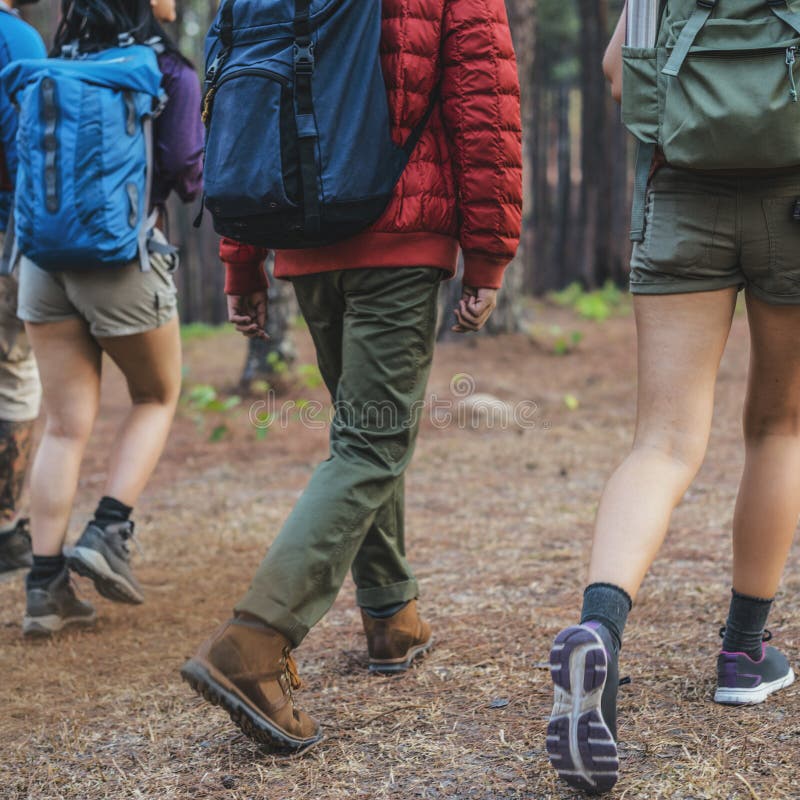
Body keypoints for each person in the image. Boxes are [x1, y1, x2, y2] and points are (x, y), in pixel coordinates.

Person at [181, 0, 523, 753]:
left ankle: (391, 615)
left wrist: (242, 260)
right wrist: (489, 253)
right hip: (400, 235)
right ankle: (256, 641)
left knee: (363, 434)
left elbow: (235, 107)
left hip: (304, 237)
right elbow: (484, 107)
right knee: (371, 446)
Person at [548, 3, 799, 794]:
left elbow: (620, 76)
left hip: (681, 199)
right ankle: (743, 652)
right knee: (779, 426)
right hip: (796, 208)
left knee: (661, 443)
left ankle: (599, 629)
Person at [16, 0, 203, 635]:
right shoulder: (167, 72)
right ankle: (109, 529)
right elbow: (186, 169)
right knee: (156, 395)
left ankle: (43, 587)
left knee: (64, 426)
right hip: (121, 261)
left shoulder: (50, 64)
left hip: (42, 265)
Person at [0, 0, 45, 574]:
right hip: (6, 228)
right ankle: (8, 529)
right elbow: (28, 149)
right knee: (13, 366)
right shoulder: (17, 41)